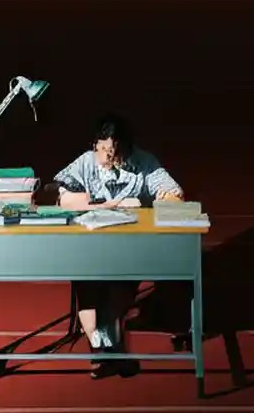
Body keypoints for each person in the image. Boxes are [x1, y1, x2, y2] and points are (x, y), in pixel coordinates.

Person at [52, 113, 184, 379]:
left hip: (128, 248)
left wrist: (160, 201)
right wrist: (96, 205)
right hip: (87, 247)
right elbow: (59, 195)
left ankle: (109, 352)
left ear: (126, 147)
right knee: (87, 286)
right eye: (103, 149)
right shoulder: (86, 162)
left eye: (114, 151)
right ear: (95, 145)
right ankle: (105, 352)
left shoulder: (144, 163)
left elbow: (175, 194)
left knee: (118, 286)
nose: (108, 157)